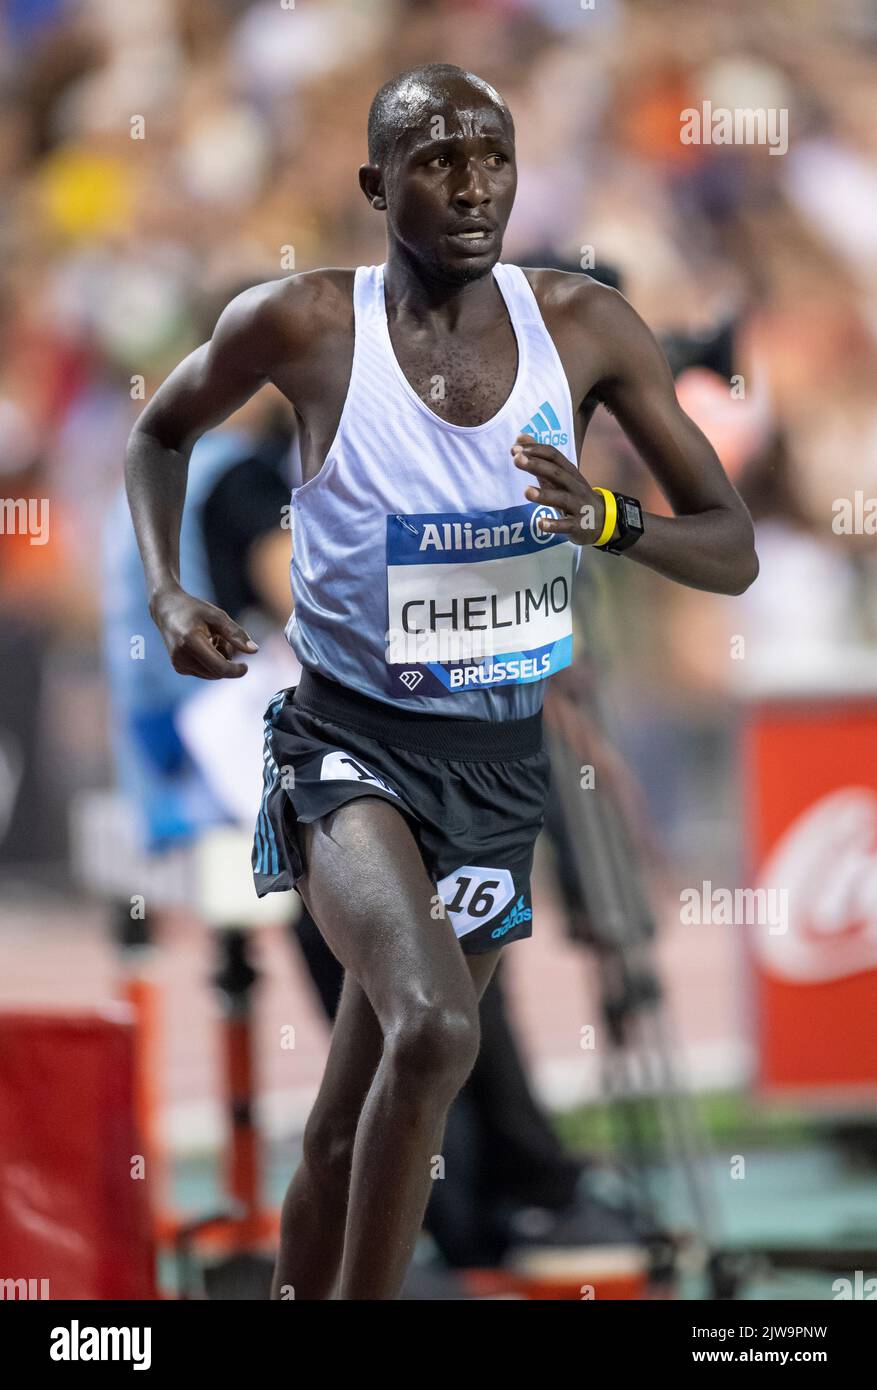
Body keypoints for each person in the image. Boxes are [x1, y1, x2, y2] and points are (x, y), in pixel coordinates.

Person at [124, 63, 758, 1300]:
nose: (471, 184)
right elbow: (160, 431)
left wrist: (611, 517)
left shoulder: (583, 325)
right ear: (375, 183)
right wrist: (167, 589)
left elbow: (728, 546)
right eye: (434, 158)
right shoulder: (302, 323)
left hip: (496, 767)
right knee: (437, 1027)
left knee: (350, 1119)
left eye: (492, 157)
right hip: (346, 750)